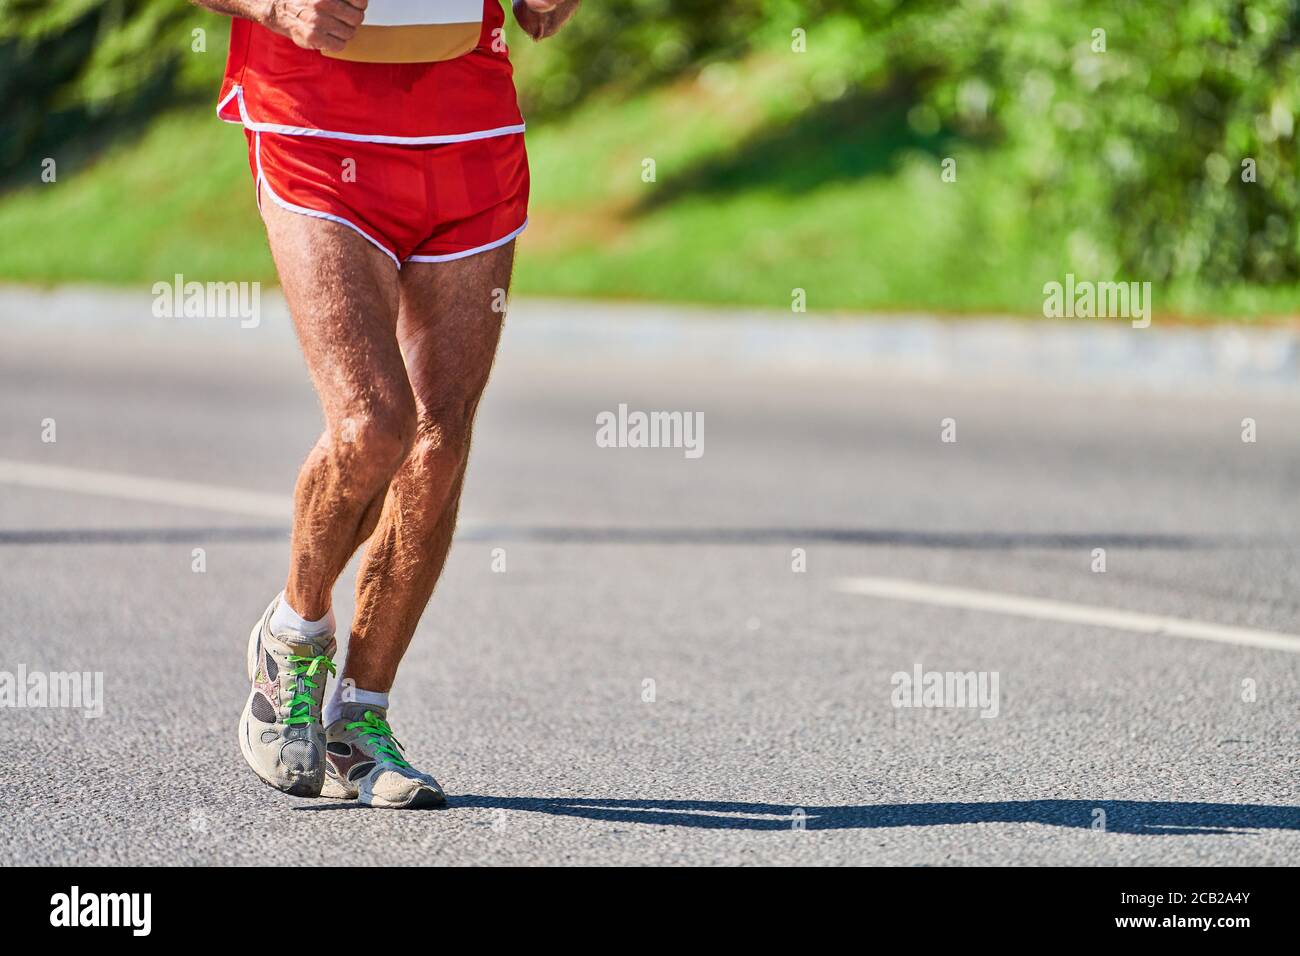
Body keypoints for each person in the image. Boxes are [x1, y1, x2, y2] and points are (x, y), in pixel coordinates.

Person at [191, 0, 581, 808]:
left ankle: (360, 717)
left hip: (469, 131)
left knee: (439, 442)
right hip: (312, 125)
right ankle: (292, 643)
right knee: (374, 426)